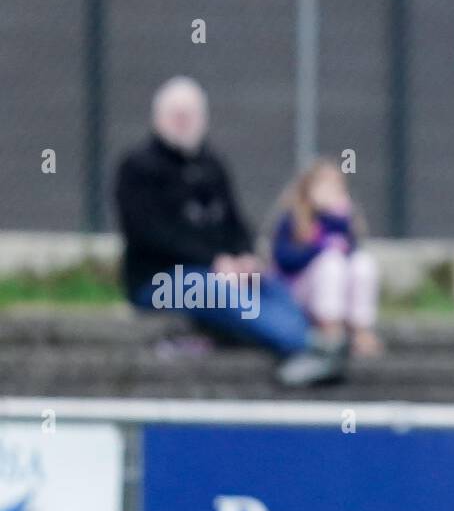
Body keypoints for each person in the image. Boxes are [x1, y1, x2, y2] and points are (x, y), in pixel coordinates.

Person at [113, 76, 346, 387]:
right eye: (176, 115)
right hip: (157, 282)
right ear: (158, 118)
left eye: (189, 115)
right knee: (213, 289)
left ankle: (313, 340)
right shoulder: (137, 168)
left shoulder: (212, 166)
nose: (183, 123)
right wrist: (215, 262)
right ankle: (302, 347)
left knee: (268, 285)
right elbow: (150, 234)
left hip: (218, 271)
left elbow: (235, 223)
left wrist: (244, 258)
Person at [270, 160, 383, 357]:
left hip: (338, 289)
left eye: (336, 187)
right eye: (324, 186)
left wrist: (338, 219)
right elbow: (285, 260)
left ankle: (360, 330)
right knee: (330, 262)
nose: (331, 192)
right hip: (301, 291)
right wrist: (318, 248)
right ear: (309, 189)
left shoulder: (341, 221)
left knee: (362, 263)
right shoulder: (293, 219)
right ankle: (330, 329)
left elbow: (351, 251)